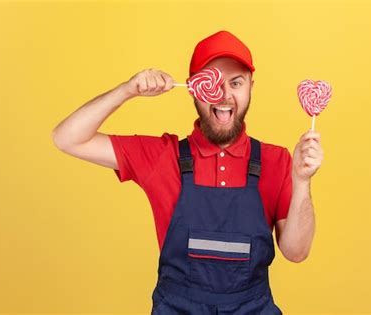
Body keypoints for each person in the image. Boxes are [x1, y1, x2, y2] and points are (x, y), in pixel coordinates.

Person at [52, 30, 323, 314]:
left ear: (251, 87)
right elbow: (67, 138)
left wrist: (302, 182)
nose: (224, 95)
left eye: (236, 82)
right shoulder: (161, 156)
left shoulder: (276, 160)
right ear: (195, 87)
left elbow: (296, 252)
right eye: (213, 82)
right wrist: (126, 90)